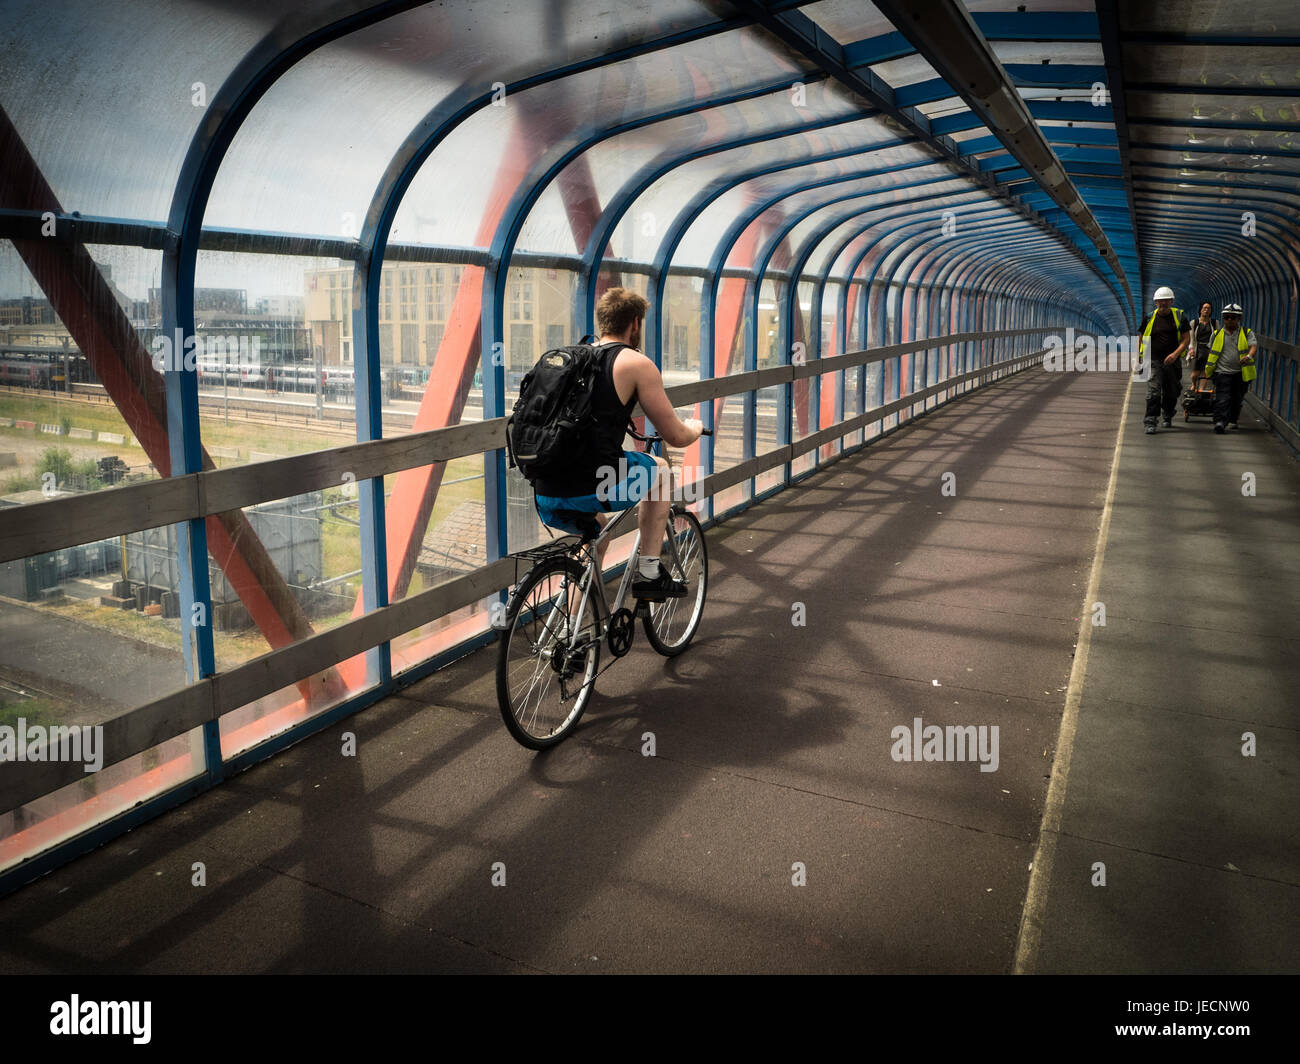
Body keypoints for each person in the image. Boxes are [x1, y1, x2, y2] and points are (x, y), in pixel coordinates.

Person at [531, 287, 704, 599]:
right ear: (634, 323)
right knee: (662, 472)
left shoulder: (574, 359)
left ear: (602, 322)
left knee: (597, 527)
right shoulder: (636, 364)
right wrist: (695, 427)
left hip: (545, 488)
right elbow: (676, 436)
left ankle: (577, 624)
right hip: (594, 483)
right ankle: (649, 574)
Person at [1138, 286, 1190, 434]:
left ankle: (1167, 413)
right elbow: (1141, 337)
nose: (1163, 303)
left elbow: (1186, 339)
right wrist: (1140, 357)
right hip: (1153, 359)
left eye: (1166, 300)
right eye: (1160, 301)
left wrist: (1175, 354)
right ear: (1155, 302)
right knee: (1153, 391)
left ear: (1172, 301)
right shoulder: (1149, 318)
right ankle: (1150, 421)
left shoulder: (1180, 316)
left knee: (1171, 392)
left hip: (1172, 361)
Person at [1205, 303, 1257, 434]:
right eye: (1226, 317)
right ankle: (1220, 422)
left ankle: (1233, 419)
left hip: (1241, 373)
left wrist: (1249, 356)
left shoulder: (1246, 333)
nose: (1229, 320)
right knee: (1222, 397)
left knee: (1236, 398)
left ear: (1239, 319)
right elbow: (1210, 351)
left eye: (1233, 317)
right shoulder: (1216, 334)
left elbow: (1253, 346)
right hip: (1222, 372)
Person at [1188, 301, 1217, 387]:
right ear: (1200, 310)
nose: (1206, 310)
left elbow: (1218, 337)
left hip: (1209, 349)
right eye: (1204, 308)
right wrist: (1191, 348)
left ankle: (1201, 391)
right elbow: (1191, 338)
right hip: (1197, 349)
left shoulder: (1215, 323)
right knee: (1195, 374)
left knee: (1205, 372)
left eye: (1209, 308)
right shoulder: (1194, 323)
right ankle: (1193, 384)